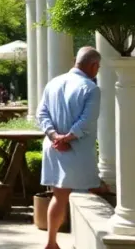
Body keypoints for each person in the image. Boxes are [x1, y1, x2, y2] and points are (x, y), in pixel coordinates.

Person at [36, 47, 106, 249]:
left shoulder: (53, 83)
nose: (97, 71)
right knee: (85, 193)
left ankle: (51, 242)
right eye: (98, 67)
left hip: (54, 146)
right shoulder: (91, 88)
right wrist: (66, 138)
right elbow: (87, 120)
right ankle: (84, 242)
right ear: (93, 66)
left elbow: (42, 114)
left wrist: (54, 135)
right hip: (77, 150)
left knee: (59, 196)